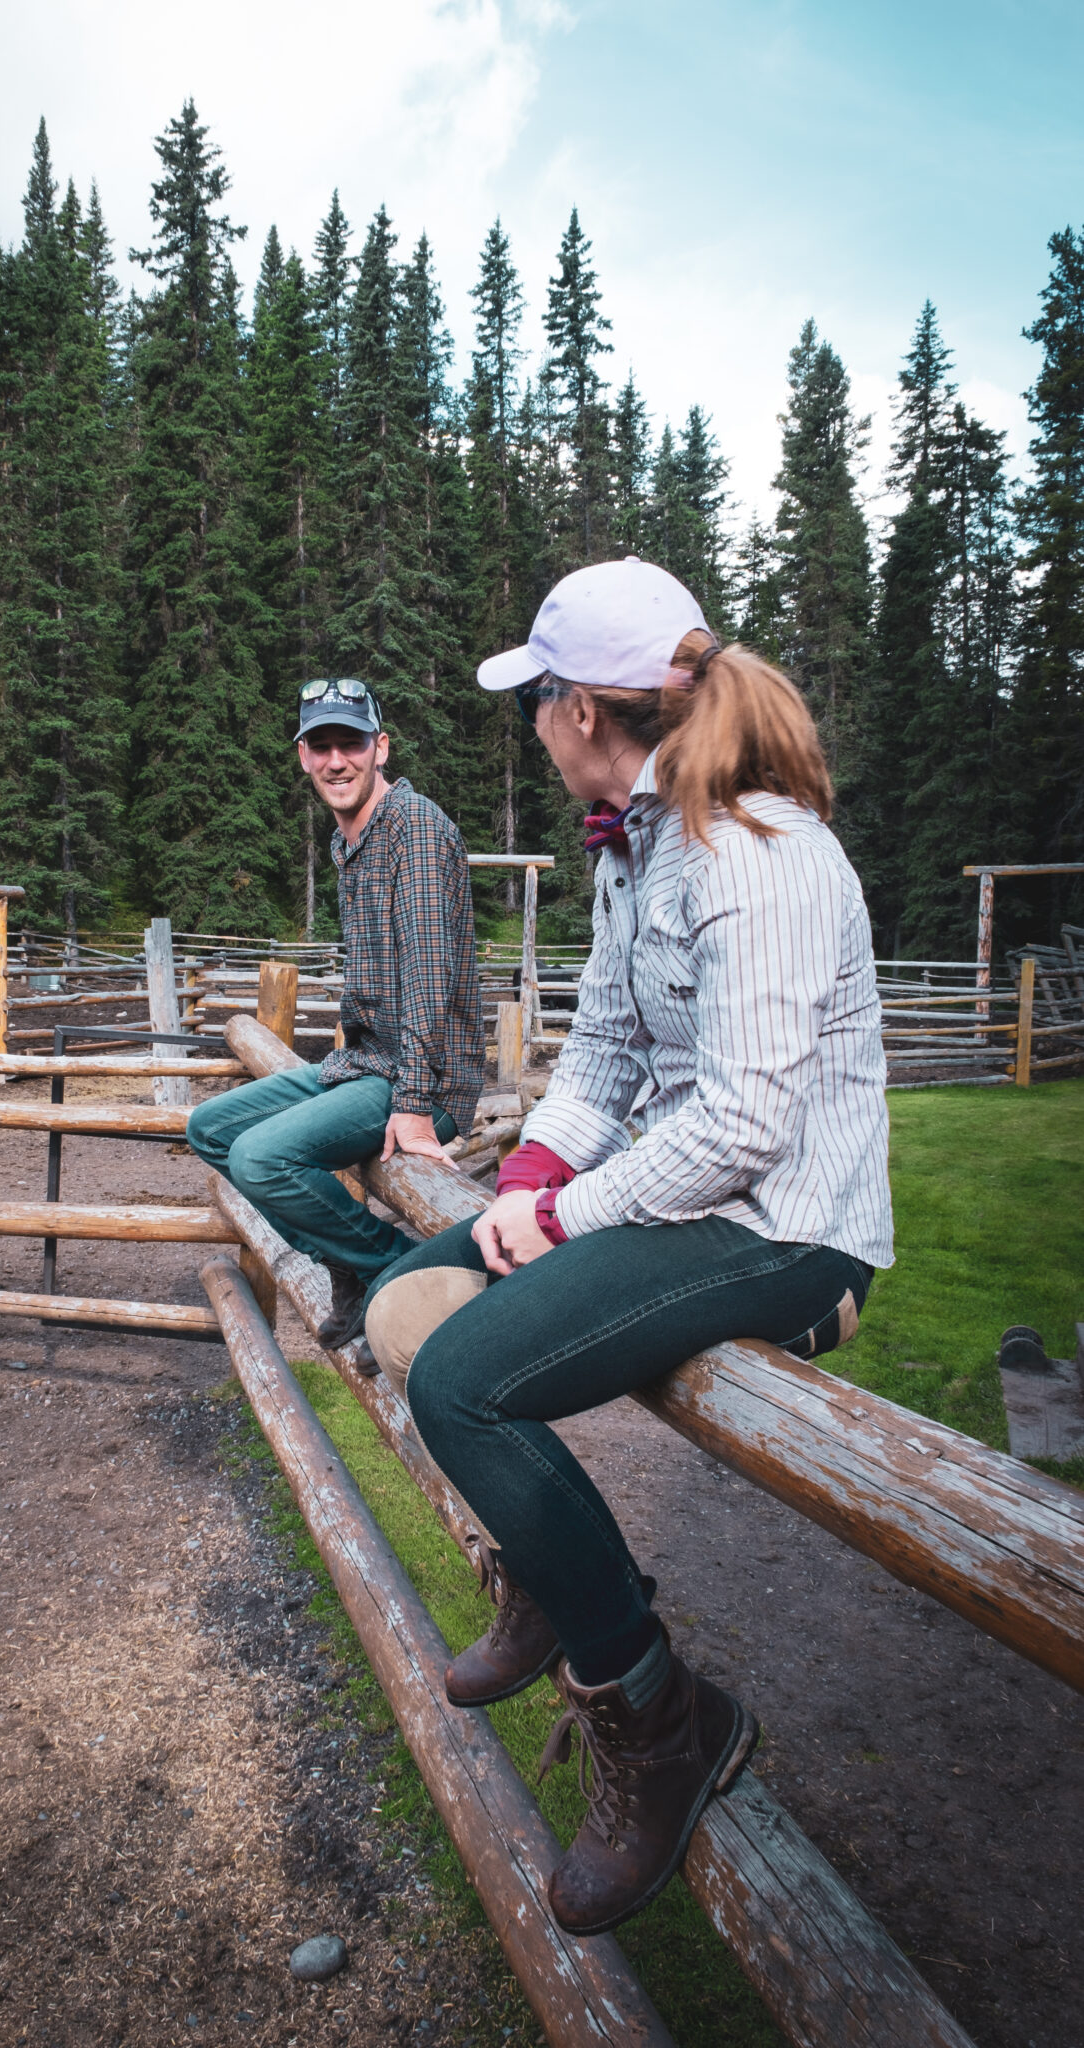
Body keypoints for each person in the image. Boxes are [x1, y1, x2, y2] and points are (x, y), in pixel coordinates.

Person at [362, 558, 892, 1934]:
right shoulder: (640, 842)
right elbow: (603, 1043)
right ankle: (555, 1583)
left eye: (531, 703)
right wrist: (533, 1172)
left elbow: (743, 1126)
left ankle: (662, 1715)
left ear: (581, 711)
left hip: (785, 1226)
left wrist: (555, 1217)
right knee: (400, 1303)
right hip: (686, 1194)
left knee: (463, 1382)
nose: (530, 727)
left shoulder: (754, 853)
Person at [187, 677, 485, 1351]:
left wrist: (414, 1105)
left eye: (349, 743)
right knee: (210, 1128)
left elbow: (428, 979)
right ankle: (349, 1264)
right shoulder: (347, 840)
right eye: (319, 746)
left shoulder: (413, 828)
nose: (335, 761)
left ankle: (395, 1269)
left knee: (261, 1158)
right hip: (367, 1064)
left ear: (381, 747)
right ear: (303, 757)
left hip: (423, 1078)